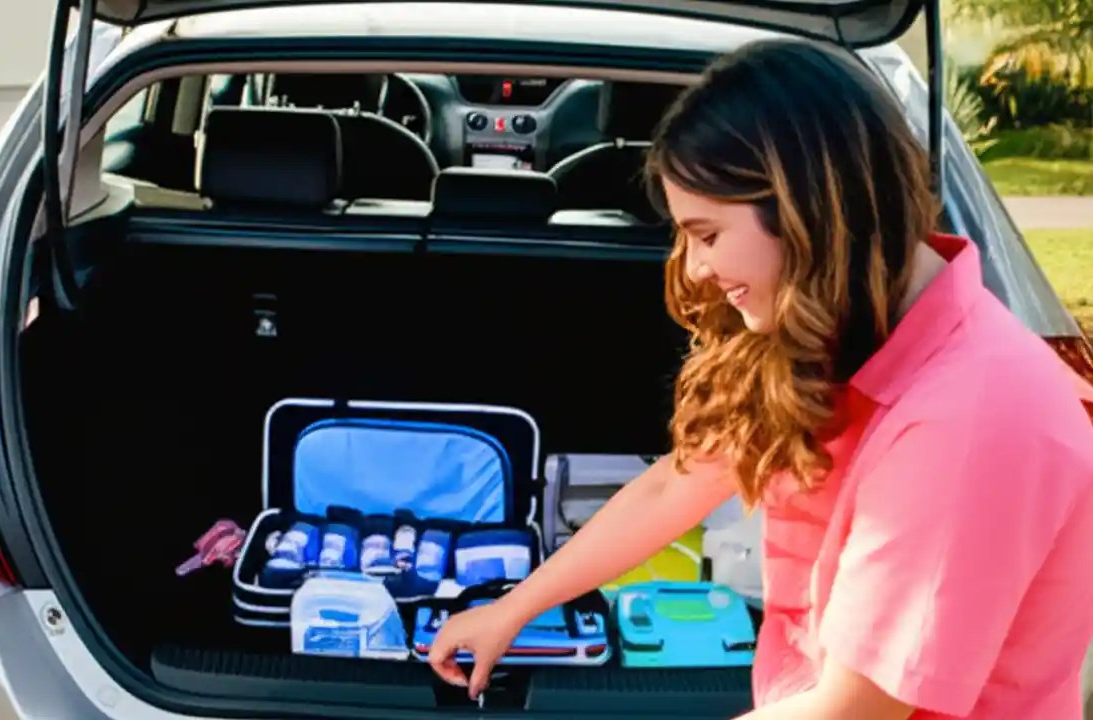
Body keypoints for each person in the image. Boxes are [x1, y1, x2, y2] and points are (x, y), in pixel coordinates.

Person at [426, 37, 1093, 719]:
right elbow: (672, 486)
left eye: (708, 235)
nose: (692, 271)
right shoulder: (834, 328)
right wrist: (514, 609)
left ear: (806, 208)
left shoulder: (972, 419)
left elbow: (850, 711)